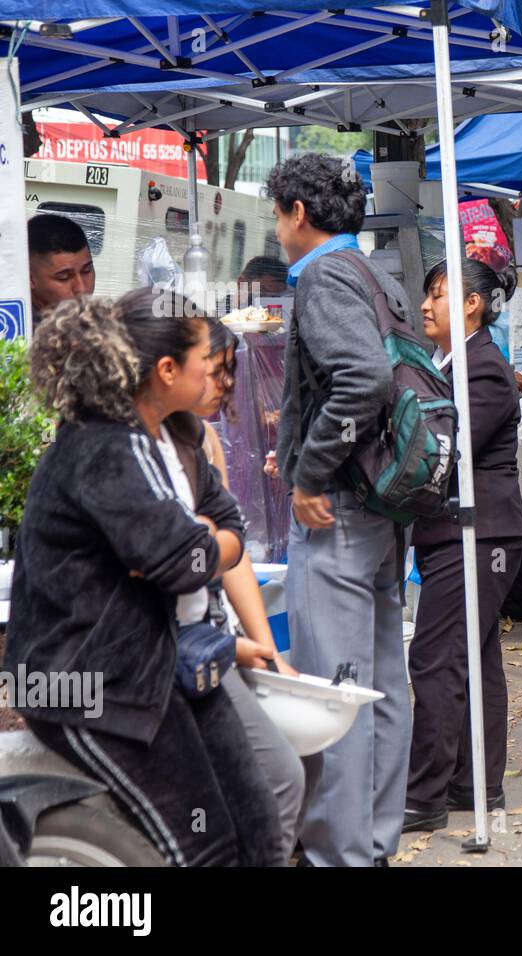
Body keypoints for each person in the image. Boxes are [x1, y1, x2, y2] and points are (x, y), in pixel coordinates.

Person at [7, 290, 280, 867]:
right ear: (166, 370)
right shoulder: (105, 445)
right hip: (90, 687)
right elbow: (180, 561)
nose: (215, 368)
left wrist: (193, 541)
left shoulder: (164, 434)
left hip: (159, 667)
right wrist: (191, 546)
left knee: (258, 825)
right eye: (205, 355)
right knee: (205, 845)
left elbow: (206, 538)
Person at [269, 152, 412, 868]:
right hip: (380, 506)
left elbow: (363, 378)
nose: (278, 227)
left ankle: (340, 855)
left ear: (297, 213)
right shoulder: (373, 271)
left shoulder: (322, 275)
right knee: (380, 682)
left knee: (336, 694)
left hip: (339, 510)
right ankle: (374, 844)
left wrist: (309, 471)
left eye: (278, 213)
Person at [403, 259, 522, 833]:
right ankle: (472, 784)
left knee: (436, 659)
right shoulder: (447, 362)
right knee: (474, 659)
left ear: (472, 304)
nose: (425, 306)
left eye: (437, 295)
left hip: (477, 533)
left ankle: (423, 796)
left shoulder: (481, 369)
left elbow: (441, 450)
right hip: (463, 532)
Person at [194, 318, 319, 863]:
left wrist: (265, 650)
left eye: (230, 372)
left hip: (209, 639)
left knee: (307, 756)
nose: (227, 385)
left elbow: (229, 547)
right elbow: (189, 552)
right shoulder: (122, 450)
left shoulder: (198, 440)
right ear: (164, 368)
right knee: (278, 779)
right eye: (217, 371)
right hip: (167, 650)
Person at [27, 213, 95, 318]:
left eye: (86, 271)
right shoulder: (13, 329)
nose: (82, 288)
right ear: (29, 279)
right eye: (64, 278)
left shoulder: (99, 323)